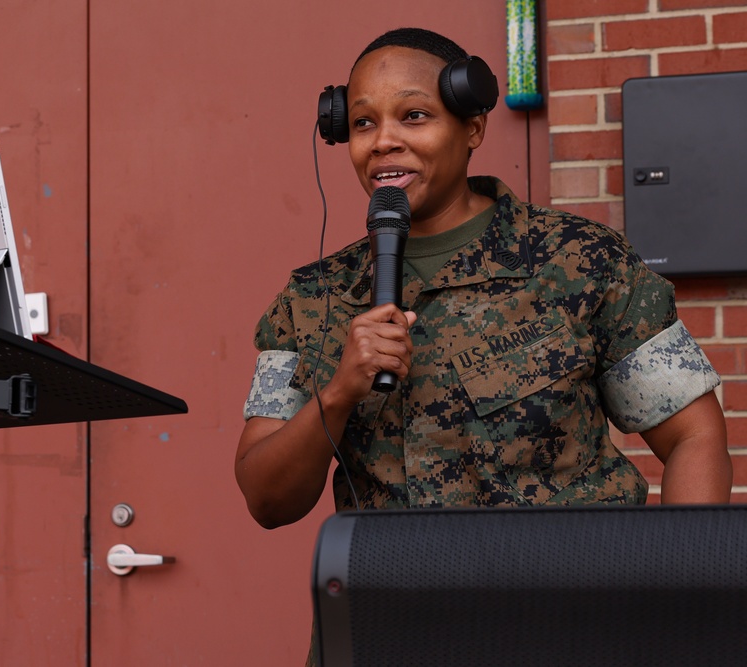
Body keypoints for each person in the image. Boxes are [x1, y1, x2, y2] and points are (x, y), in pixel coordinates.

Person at [234, 27, 732, 534]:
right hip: (395, 607)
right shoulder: (313, 298)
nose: (384, 140)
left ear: (473, 127)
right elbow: (267, 499)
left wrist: (686, 590)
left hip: (570, 602)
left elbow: (694, 437)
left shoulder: (580, 259)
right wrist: (338, 393)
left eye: (414, 116)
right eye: (363, 123)